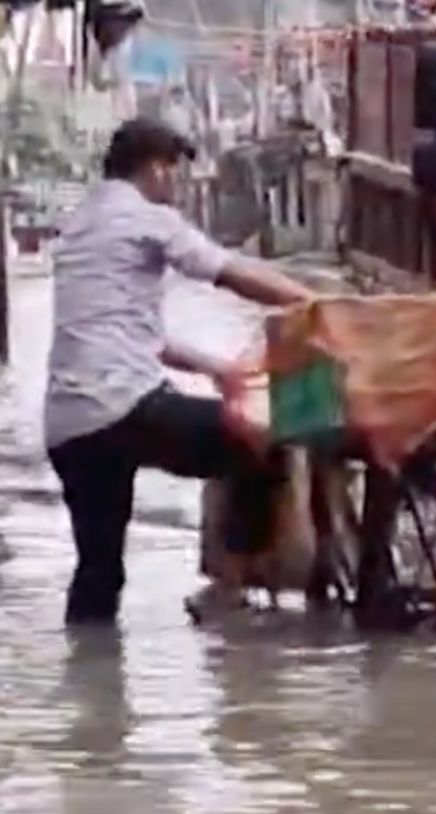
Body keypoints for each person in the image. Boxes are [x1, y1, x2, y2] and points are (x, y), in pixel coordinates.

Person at [45, 117, 315, 628]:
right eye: (175, 172)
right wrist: (316, 302)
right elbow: (230, 273)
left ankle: (92, 690)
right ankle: (226, 587)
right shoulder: (148, 217)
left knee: (98, 571)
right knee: (262, 444)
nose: (177, 186)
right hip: (124, 407)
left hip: (67, 424)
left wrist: (214, 367)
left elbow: (121, 330)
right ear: (157, 169)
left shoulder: (78, 226)